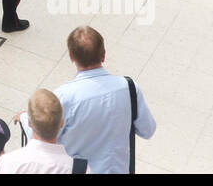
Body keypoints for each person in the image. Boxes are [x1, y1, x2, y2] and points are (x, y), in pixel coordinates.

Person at [49, 26, 156, 173]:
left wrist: (24, 118)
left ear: (71, 57)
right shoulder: (129, 88)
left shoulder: (62, 97)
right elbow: (148, 130)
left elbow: (44, 140)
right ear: (103, 55)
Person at [0, 90, 85, 173]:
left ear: (29, 124)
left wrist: (23, 117)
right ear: (62, 123)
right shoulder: (80, 169)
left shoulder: (7, 163)